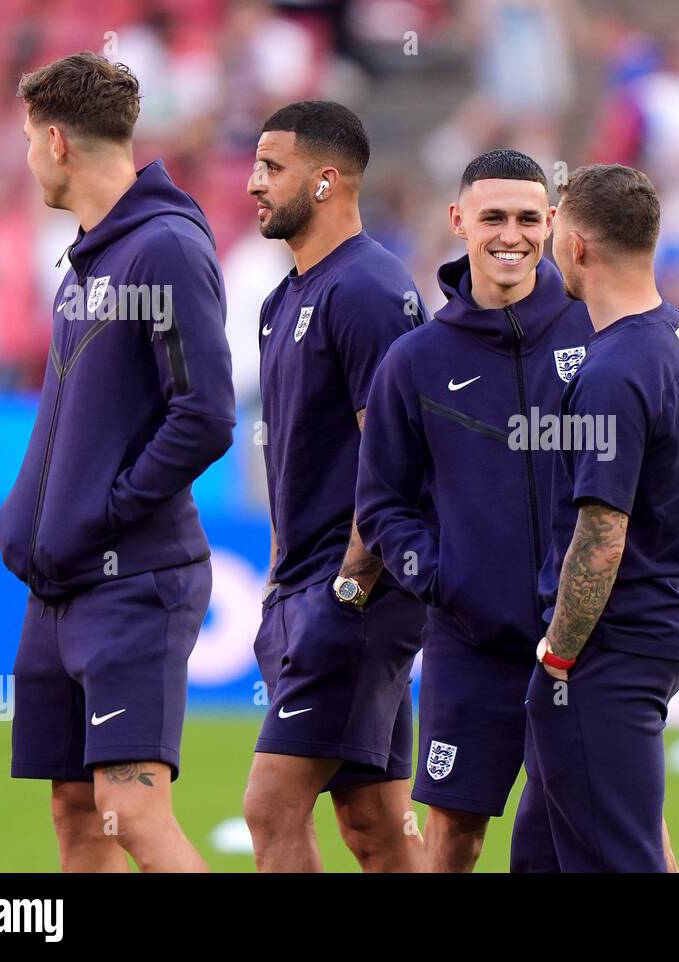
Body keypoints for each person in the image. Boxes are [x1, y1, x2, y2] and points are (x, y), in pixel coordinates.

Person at [0, 53, 236, 872]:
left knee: (129, 810)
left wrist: (104, 511)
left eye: (30, 139)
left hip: (132, 578)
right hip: (59, 584)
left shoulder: (165, 248)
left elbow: (206, 413)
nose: (26, 157)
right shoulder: (87, 261)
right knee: (75, 814)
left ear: (56, 141)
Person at [355, 149, 592, 871]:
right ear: (458, 221)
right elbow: (383, 502)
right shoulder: (416, 359)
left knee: (622, 830)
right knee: (455, 837)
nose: (510, 235)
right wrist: (441, 579)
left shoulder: (599, 331)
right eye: (492, 217)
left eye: (527, 218)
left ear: (553, 224)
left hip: (586, 640)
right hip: (469, 642)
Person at [520, 163, 679, 872]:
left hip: (608, 649)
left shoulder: (611, 369)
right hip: (660, 624)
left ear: (576, 246)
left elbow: (601, 540)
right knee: (542, 855)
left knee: (617, 857)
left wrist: (560, 655)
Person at [243, 101, 427, 872]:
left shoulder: (370, 293)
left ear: (324, 182)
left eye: (270, 167)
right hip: (305, 590)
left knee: (271, 806)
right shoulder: (281, 300)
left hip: (352, 597)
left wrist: (348, 591)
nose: (253, 183)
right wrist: (284, 587)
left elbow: (397, 463)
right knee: (375, 824)